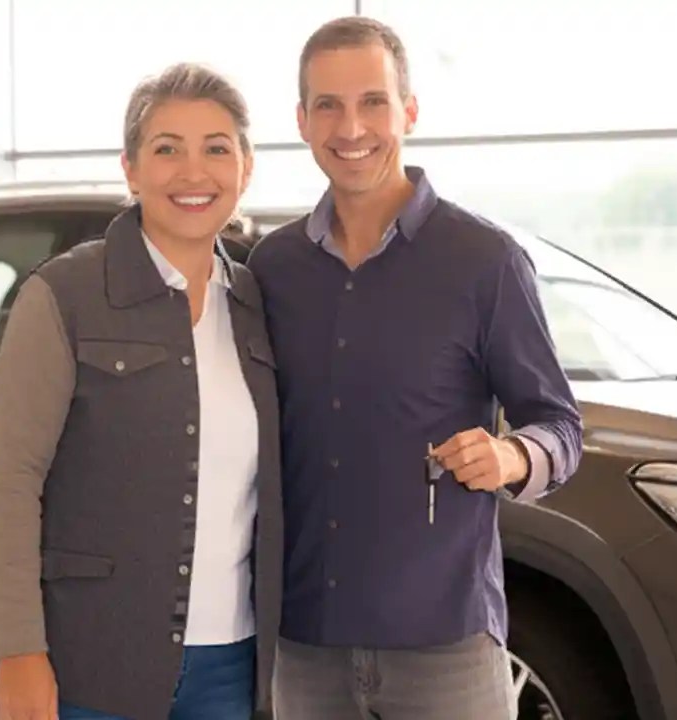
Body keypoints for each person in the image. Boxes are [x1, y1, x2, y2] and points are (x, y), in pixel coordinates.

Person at [246, 16, 583, 720]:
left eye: (373, 101)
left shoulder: (484, 262)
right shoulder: (271, 270)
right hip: (305, 646)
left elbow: (559, 425)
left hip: (446, 643)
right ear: (302, 122)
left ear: (410, 110)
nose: (351, 127)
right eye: (329, 106)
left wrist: (514, 455)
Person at [0, 62, 283, 720]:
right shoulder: (63, 297)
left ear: (247, 167)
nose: (193, 173)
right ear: (131, 168)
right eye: (166, 149)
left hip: (231, 665)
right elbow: (10, 482)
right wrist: (19, 653)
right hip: (92, 661)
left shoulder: (258, 306)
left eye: (216, 149)